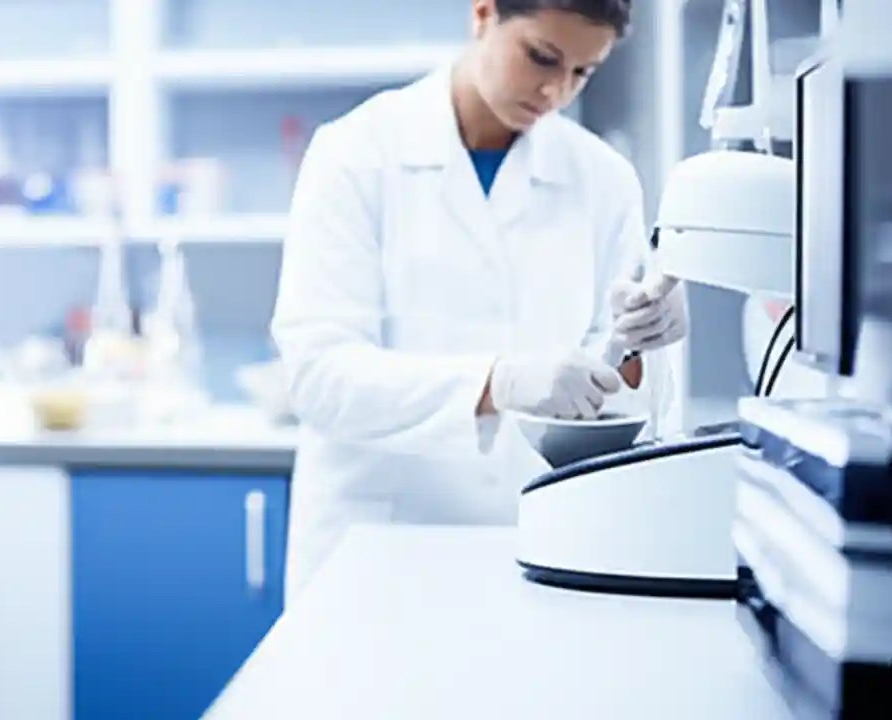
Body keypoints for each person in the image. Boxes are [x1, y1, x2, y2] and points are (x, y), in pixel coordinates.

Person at [271, 0, 690, 598]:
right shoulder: (355, 154)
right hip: (373, 559)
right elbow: (318, 377)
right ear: (484, 13)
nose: (554, 91)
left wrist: (644, 345)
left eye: (581, 73)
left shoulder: (604, 180)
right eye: (541, 57)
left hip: (536, 550)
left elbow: (624, 399)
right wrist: (497, 383)